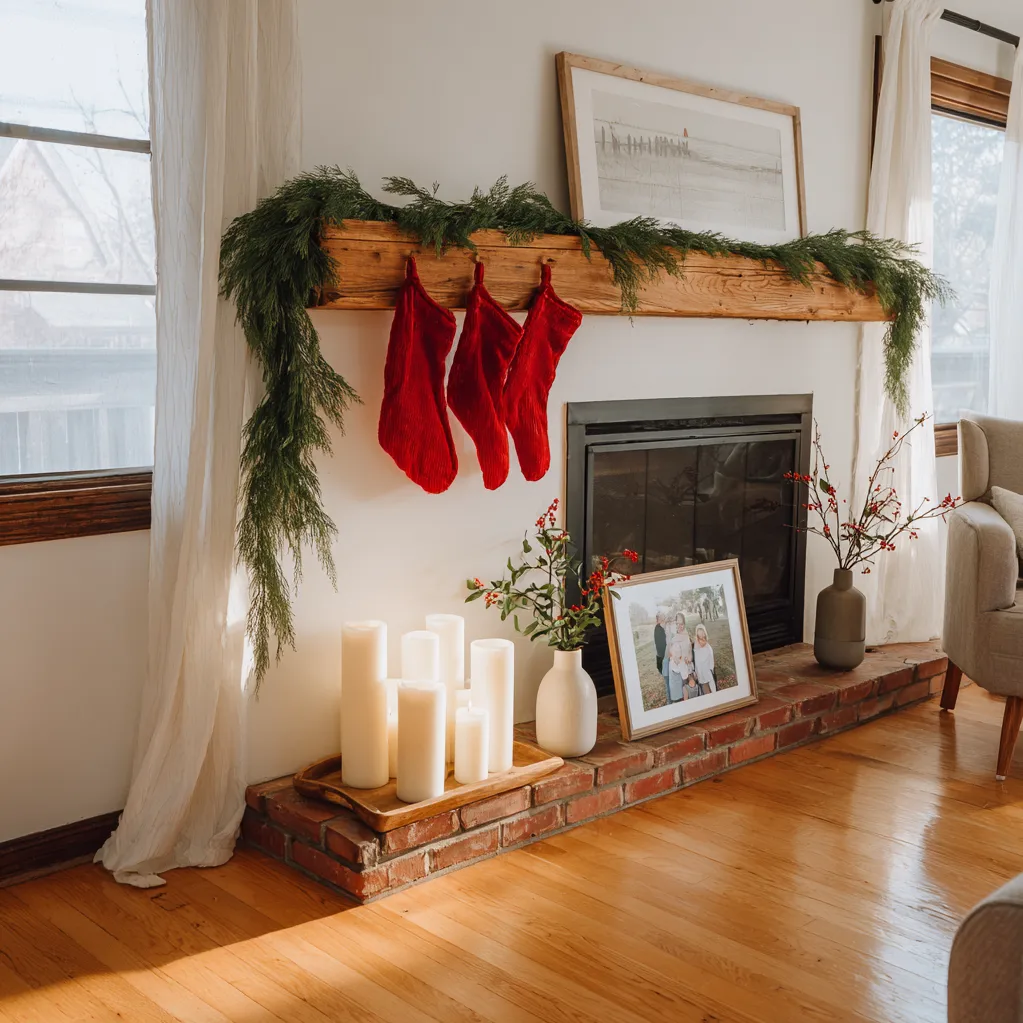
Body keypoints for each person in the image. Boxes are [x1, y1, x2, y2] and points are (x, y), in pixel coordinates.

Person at [693, 623, 717, 695]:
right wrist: (696, 671)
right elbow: (696, 659)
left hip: (707, 669)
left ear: (704, 633)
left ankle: (714, 695)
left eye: (702, 632)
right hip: (699, 670)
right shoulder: (696, 645)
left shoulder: (708, 647)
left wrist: (711, 668)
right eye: (699, 632)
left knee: (711, 684)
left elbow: (710, 659)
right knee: (704, 686)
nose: (701, 634)